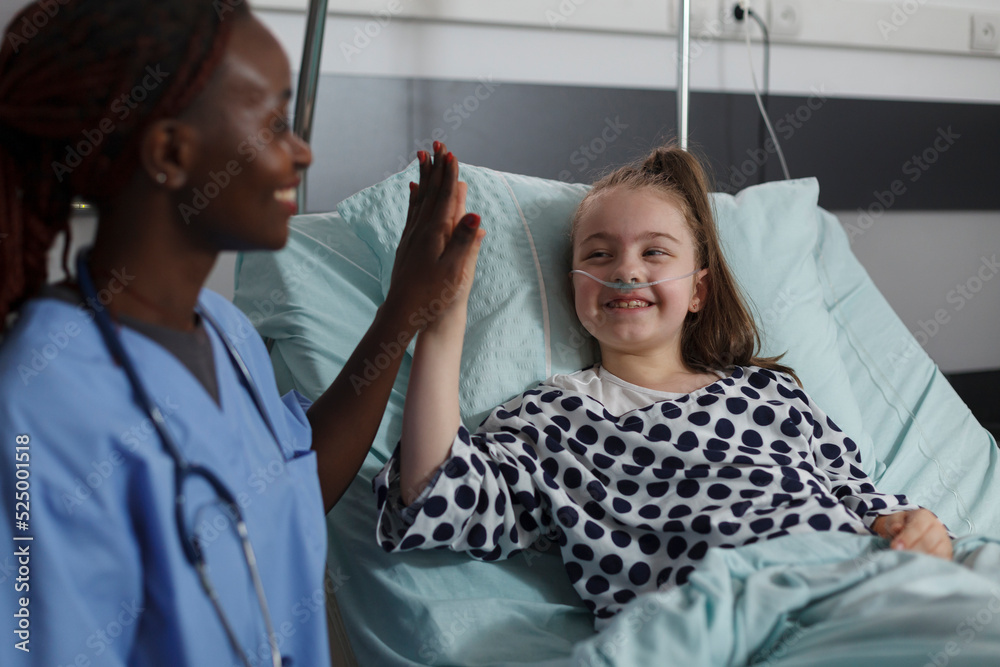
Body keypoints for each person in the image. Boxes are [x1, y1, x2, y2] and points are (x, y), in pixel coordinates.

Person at [0, 1, 482, 665]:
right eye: (275, 122)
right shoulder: (42, 402)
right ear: (170, 151)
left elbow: (287, 491)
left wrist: (405, 308)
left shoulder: (224, 332)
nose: (303, 151)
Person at [374, 144, 959, 629]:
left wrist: (917, 528)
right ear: (573, 287)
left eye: (655, 252)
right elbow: (435, 493)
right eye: (599, 254)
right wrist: (441, 326)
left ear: (698, 291)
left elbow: (861, 498)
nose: (626, 270)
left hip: (859, 589)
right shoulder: (552, 421)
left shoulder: (771, 395)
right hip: (715, 628)